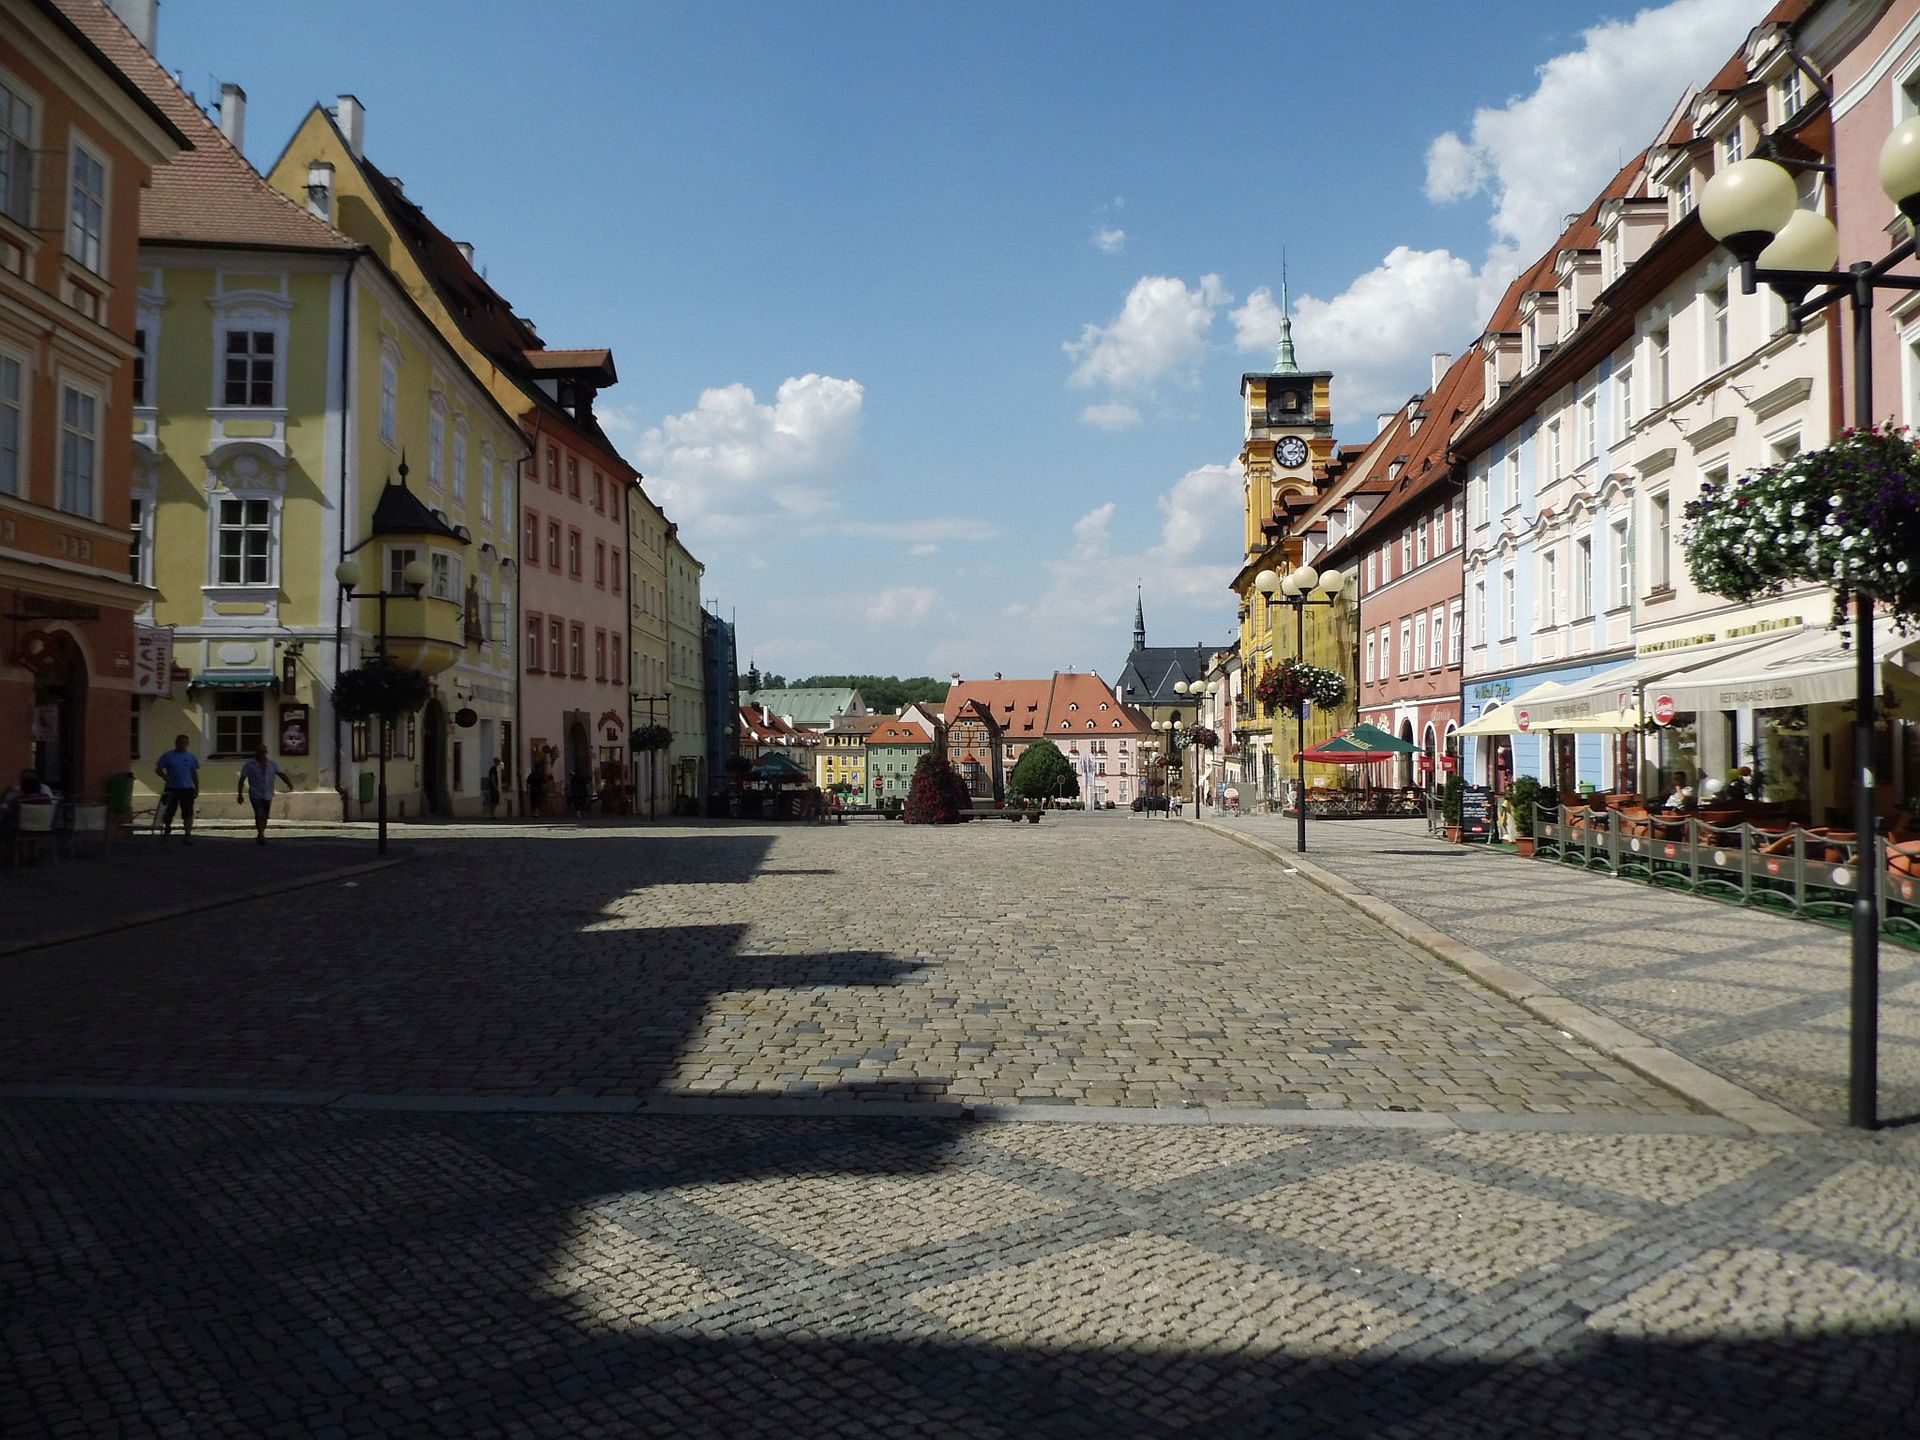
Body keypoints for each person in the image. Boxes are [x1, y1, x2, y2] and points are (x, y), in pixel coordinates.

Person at [236, 745, 294, 845]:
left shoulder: (272, 764)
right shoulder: (249, 765)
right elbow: (242, 778)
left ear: (266, 753)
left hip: (268, 793)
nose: (261, 754)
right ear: (256, 753)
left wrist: (289, 783)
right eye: (259, 752)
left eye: (263, 752)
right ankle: (261, 834)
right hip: (255, 793)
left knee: (265, 815)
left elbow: (280, 774)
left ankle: (261, 832)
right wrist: (240, 794)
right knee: (259, 813)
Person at [154, 733, 200, 843]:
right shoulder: (168, 756)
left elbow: (194, 773)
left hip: (187, 789)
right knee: (169, 811)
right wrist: (165, 776)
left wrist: (196, 787)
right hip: (172, 788)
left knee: (188, 813)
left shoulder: (191, 757)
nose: (181, 745)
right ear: (176, 743)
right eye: (179, 743)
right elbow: (158, 769)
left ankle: (187, 835)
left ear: (187, 744)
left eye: (184, 743)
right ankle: (167, 829)